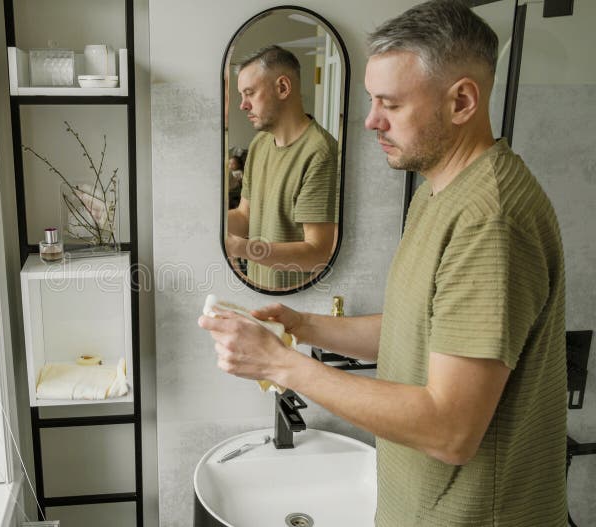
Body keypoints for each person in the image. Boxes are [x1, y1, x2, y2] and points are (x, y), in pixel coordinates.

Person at [199, 1, 568, 525]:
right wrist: (303, 327)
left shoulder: (492, 219)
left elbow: (451, 430)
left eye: (389, 104)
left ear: (462, 100)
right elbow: (412, 331)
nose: (370, 120)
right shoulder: (438, 193)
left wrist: (282, 365)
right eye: (371, 100)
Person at [226, 45, 339, 290]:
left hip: (298, 301)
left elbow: (317, 253)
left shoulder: (320, 152)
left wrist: (241, 248)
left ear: (283, 88)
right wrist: (209, 224)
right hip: (259, 292)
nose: (243, 105)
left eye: (250, 93)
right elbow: (245, 217)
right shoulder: (259, 144)